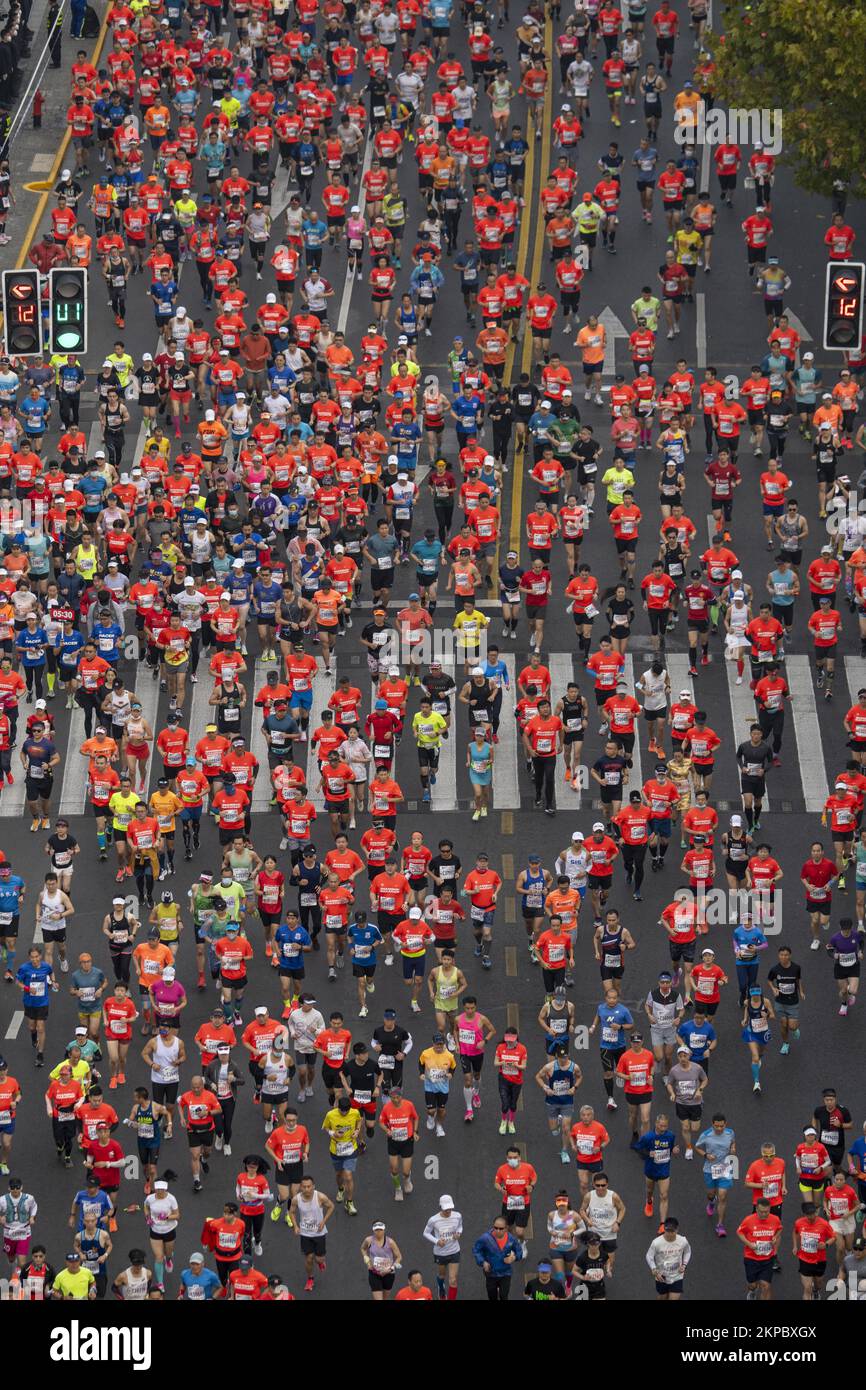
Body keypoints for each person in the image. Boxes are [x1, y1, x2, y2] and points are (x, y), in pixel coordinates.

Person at [696, 1112, 737, 1237]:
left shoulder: (730, 1132)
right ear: (712, 1124)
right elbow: (697, 1147)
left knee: (723, 1195)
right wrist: (706, 1155)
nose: (719, 1129)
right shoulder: (706, 1135)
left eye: (722, 1126)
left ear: (726, 1124)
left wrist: (733, 1149)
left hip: (725, 1167)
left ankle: (720, 1225)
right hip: (710, 1168)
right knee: (711, 1194)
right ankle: (712, 1202)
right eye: (717, 1126)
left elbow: (733, 1142)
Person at [422, 1193, 463, 1301]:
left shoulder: (457, 1215)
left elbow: (460, 1226)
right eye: (446, 1209)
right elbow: (426, 1233)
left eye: (450, 1208)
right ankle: (441, 1287)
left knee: (453, 1280)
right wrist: (437, 1241)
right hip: (440, 1253)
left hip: (454, 1250)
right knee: (442, 1275)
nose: (448, 1211)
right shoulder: (433, 1220)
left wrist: (458, 1233)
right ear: (440, 1207)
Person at [472, 1217, 523, 1301]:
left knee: (503, 1296)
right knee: (492, 1296)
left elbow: (519, 1252)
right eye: (495, 1228)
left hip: (506, 1273)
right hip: (491, 1273)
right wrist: (483, 1262)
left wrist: (514, 1257)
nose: (498, 1231)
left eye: (501, 1228)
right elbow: (476, 1249)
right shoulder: (485, 1238)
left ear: (506, 1228)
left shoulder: (511, 1239)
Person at [646, 1218, 691, 1300]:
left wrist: (684, 1265)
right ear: (664, 1229)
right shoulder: (656, 1243)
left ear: (677, 1230)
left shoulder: (683, 1241)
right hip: (662, 1277)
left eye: (672, 1231)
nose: (670, 1234)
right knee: (662, 1297)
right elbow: (649, 1256)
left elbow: (688, 1252)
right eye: (668, 1231)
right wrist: (654, 1269)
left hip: (677, 1276)